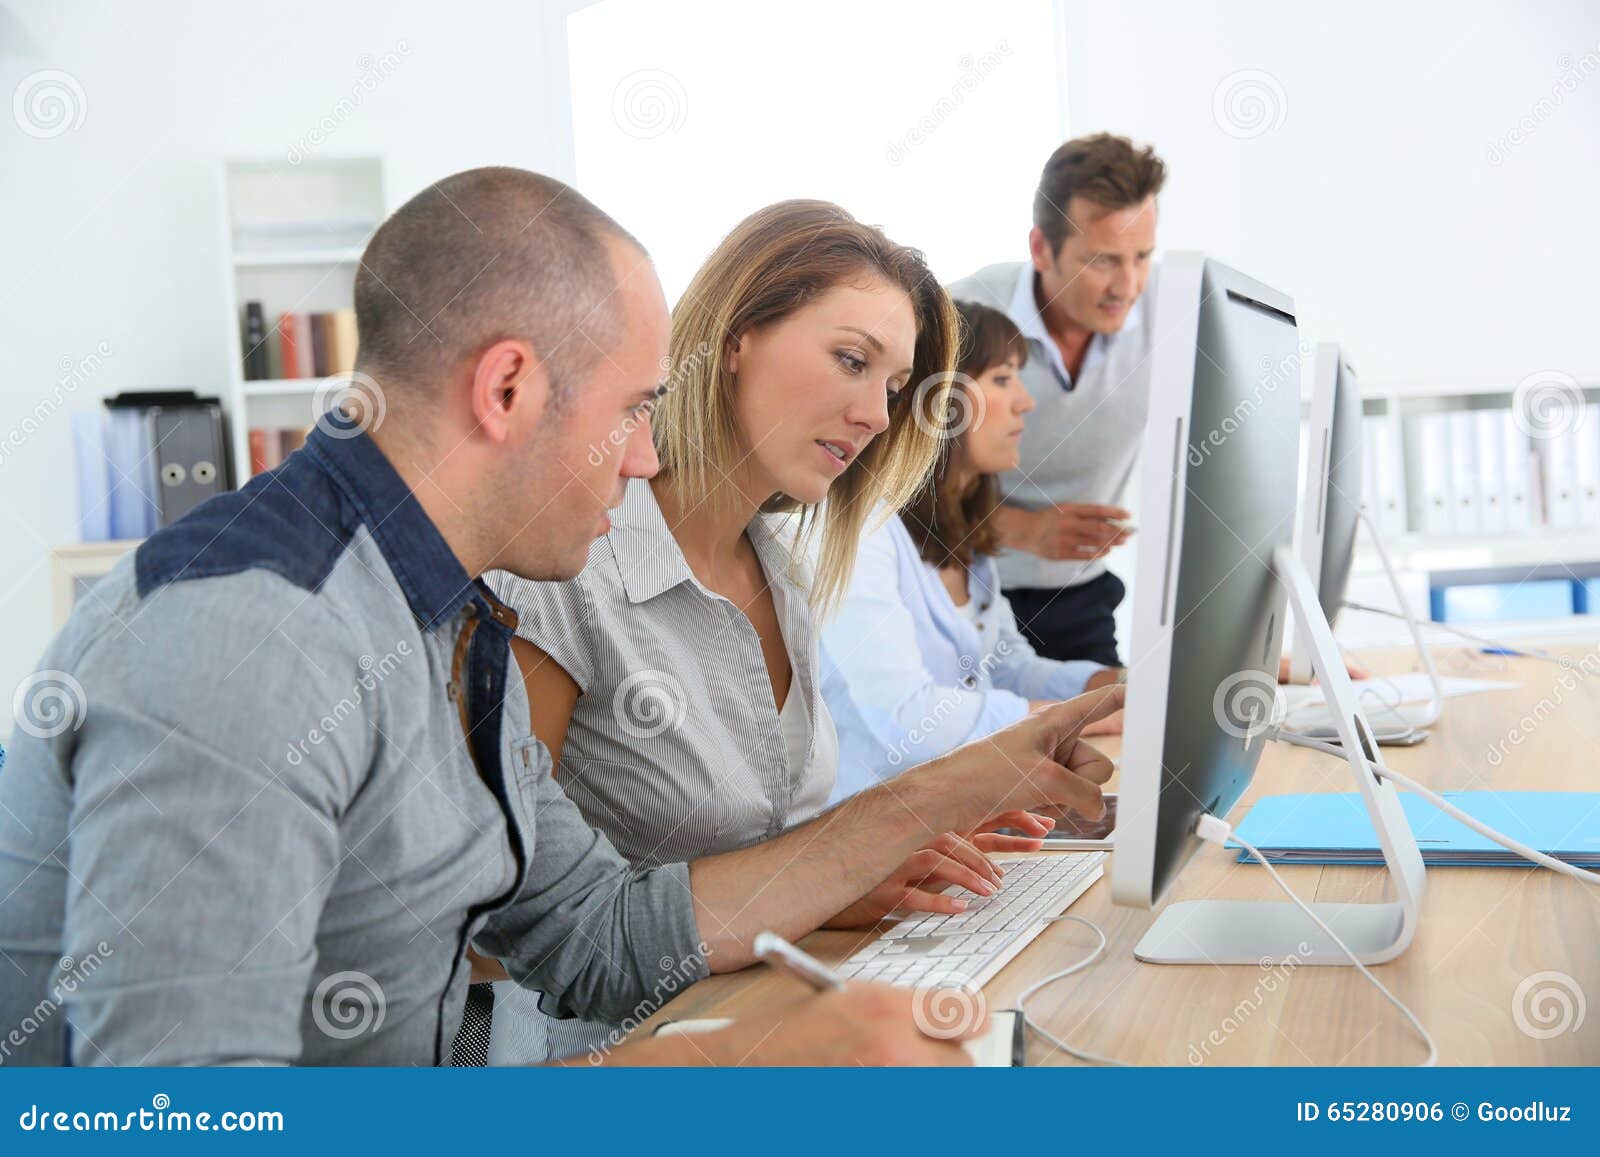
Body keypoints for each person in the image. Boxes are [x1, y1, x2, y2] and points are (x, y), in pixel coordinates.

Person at [0, 167, 1121, 1067]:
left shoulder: (451, 612)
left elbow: (596, 930)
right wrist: (719, 1072)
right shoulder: (253, 642)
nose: (646, 455)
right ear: (506, 391)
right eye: (633, 409)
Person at [483, 202, 1067, 1062]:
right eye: (850, 359)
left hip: (760, 1007)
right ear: (734, 338)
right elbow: (515, 928)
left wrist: (833, 887)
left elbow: (749, 856)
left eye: (894, 387)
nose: (876, 413)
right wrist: (929, 799)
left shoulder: (783, 567)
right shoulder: (564, 574)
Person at [822, 301, 1125, 801]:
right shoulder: (864, 532)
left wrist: (1113, 686)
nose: (1025, 402)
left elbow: (1009, 669)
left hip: (954, 813)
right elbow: (907, 717)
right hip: (873, 824)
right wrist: (1063, 721)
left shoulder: (966, 538)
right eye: (1003, 379)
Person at [946, 132, 1165, 667]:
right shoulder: (963, 316)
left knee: (1109, 736)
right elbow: (896, 487)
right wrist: (1028, 530)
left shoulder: (1174, 315)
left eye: (1142, 256)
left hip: (1079, 601)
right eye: (1103, 261)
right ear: (1041, 249)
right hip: (963, 595)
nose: (1128, 285)